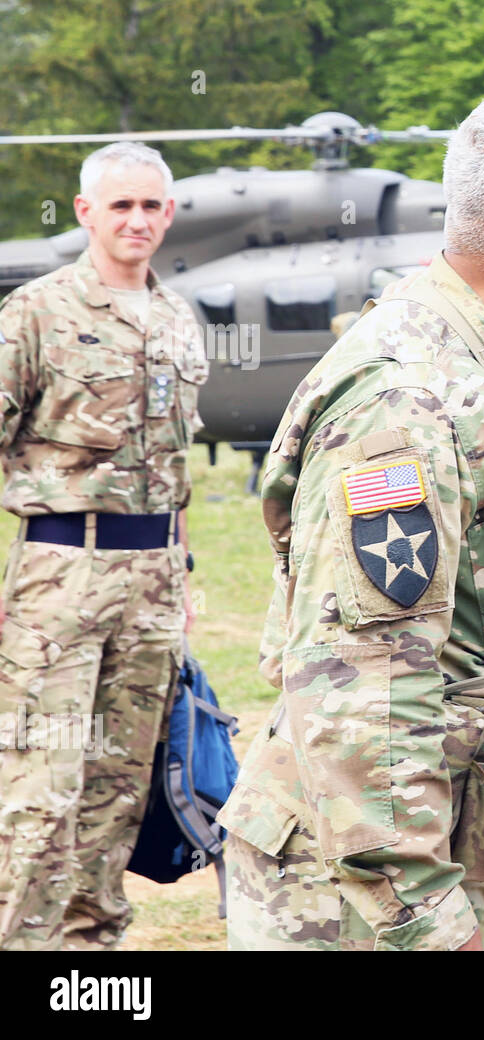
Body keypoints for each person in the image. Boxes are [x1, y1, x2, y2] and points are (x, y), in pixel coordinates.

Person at [217, 92, 484, 951]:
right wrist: (430, 923)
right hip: (353, 897)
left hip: (434, 847)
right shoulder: (408, 408)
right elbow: (361, 694)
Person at [0, 142, 205, 949]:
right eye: (121, 205)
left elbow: (178, 470)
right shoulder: (36, 313)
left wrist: (182, 572)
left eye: (152, 206)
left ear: (169, 215)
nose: (137, 220)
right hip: (60, 577)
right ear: (85, 212)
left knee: (117, 789)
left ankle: (86, 961)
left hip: (152, 581)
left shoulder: (177, 320)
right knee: (40, 789)